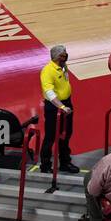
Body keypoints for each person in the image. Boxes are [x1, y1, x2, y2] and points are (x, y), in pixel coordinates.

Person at [39, 45, 77, 173]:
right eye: (63, 53)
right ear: (57, 56)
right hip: (54, 107)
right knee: (50, 136)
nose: (66, 55)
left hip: (66, 104)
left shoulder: (64, 66)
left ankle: (65, 162)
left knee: (66, 135)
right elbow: (49, 93)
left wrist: (66, 105)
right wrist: (61, 106)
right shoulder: (47, 71)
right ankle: (45, 165)